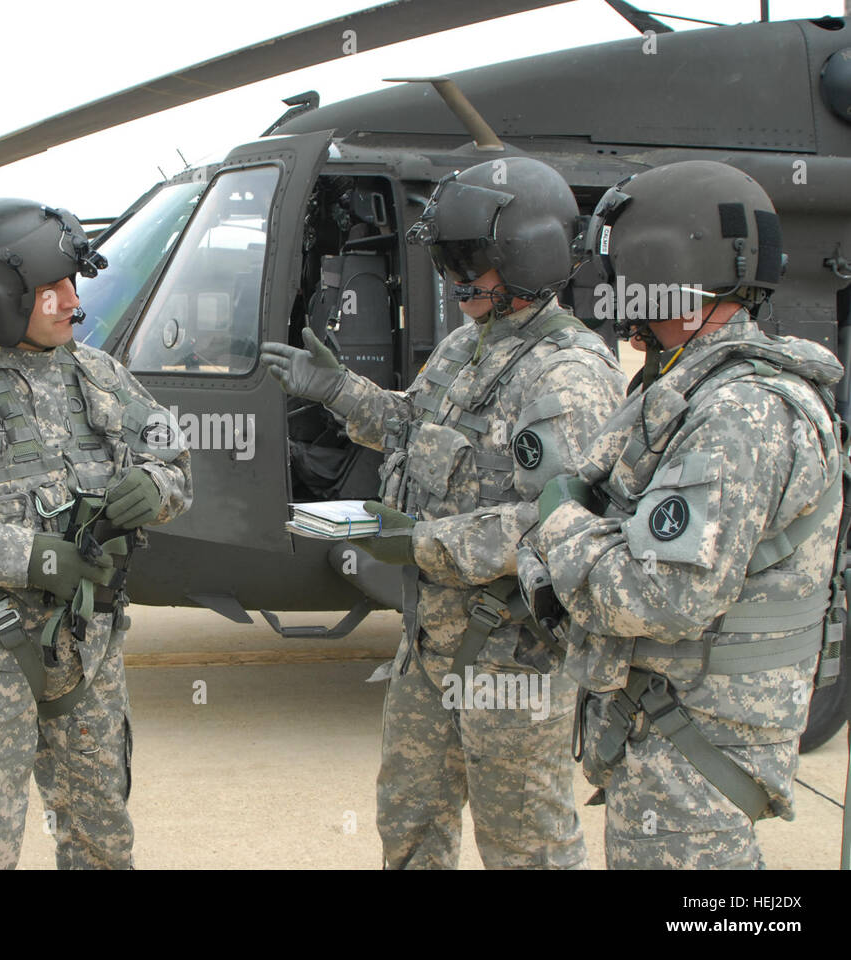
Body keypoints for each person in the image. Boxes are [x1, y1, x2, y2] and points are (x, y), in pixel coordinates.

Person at [261, 157, 625, 869]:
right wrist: (339, 392)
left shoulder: (569, 374)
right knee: (409, 824)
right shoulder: (466, 348)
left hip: (513, 664)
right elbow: (408, 428)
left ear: (526, 259)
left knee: (527, 849)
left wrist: (425, 543)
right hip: (431, 650)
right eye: (450, 262)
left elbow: (555, 524)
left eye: (474, 263)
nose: (459, 282)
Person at [527, 160, 845, 869]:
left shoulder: (739, 413)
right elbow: (590, 491)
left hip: (692, 760)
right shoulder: (681, 389)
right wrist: (567, 528)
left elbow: (658, 593)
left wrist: (559, 534)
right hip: (664, 741)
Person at [0, 199, 192, 869]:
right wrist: (31, 557)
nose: (71, 301)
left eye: (72, 284)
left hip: (92, 646)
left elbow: (175, 458)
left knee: (101, 830)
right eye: (50, 288)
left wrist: (157, 489)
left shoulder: (100, 375)